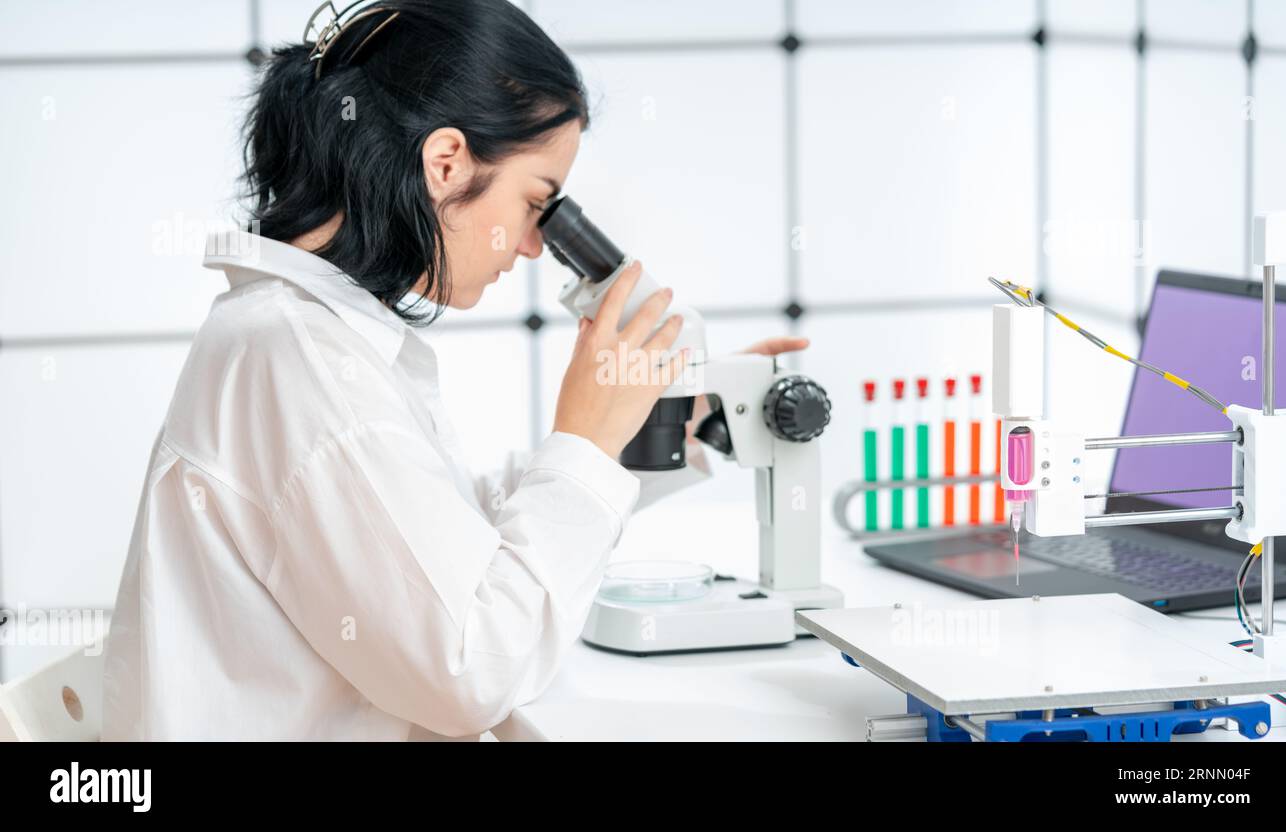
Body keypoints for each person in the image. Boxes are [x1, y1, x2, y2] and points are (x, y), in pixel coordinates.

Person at [102, 0, 807, 740]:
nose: (536, 247)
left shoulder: (296, 333)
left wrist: (649, 426)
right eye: (537, 203)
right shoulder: (300, 357)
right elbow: (471, 668)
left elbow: (436, 539)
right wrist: (585, 443)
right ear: (446, 164)